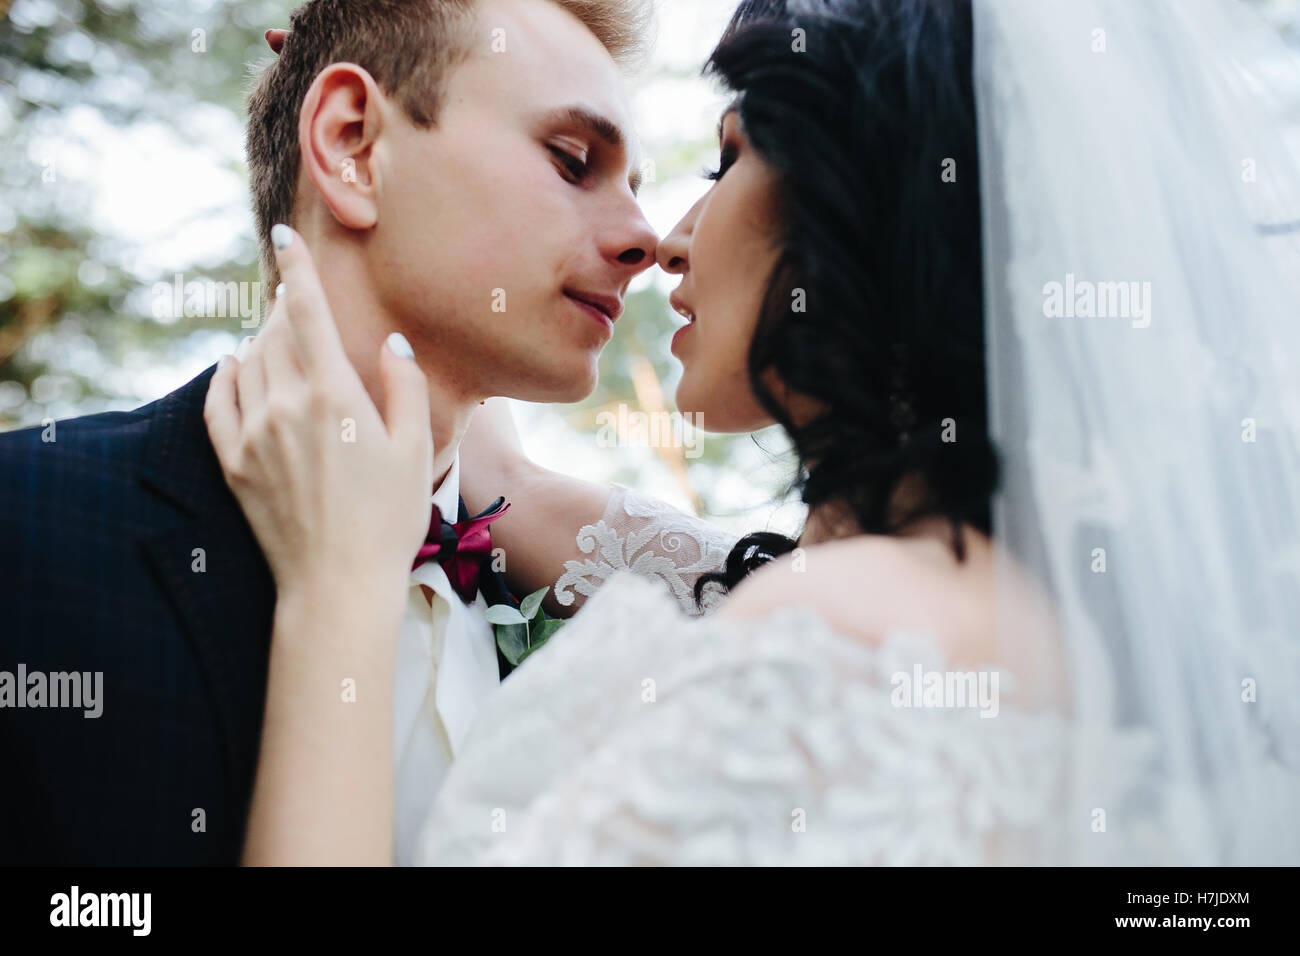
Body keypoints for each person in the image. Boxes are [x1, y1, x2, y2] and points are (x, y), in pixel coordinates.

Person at [212, 0, 1300, 865]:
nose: (659, 239)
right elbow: (549, 504)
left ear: (860, 200)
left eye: (723, 160)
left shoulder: (831, 644)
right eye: (570, 161)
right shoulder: (1073, 629)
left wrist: (339, 598)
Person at [0, 0, 655, 866]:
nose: (646, 237)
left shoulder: (605, 631)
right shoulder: (25, 527)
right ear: (353, 145)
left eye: (638, 186)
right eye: (574, 162)